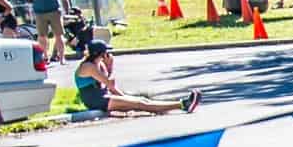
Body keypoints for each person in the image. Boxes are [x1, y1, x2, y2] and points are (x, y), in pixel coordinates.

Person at [71, 40, 201, 119]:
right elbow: (109, 83)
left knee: (141, 101)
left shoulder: (99, 64)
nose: (108, 55)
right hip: (96, 100)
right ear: (100, 53)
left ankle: (182, 104)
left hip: (103, 96)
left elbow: (109, 86)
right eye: (106, 52)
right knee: (141, 104)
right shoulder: (88, 67)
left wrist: (125, 97)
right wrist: (110, 66)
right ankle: (183, 104)